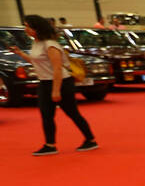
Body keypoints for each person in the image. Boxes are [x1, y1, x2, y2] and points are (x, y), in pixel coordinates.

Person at [10, 14, 97, 156]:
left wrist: (56, 90)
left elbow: (57, 68)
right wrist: (20, 53)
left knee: (72, 113)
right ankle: (50, 145)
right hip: (45, 82)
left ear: (36, 28)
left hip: (61, 82)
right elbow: (36, 62)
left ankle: (91, 140)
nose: (25, 29)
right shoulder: (36, 43)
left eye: (27, 26)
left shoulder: (50, 45)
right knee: (46, 115)